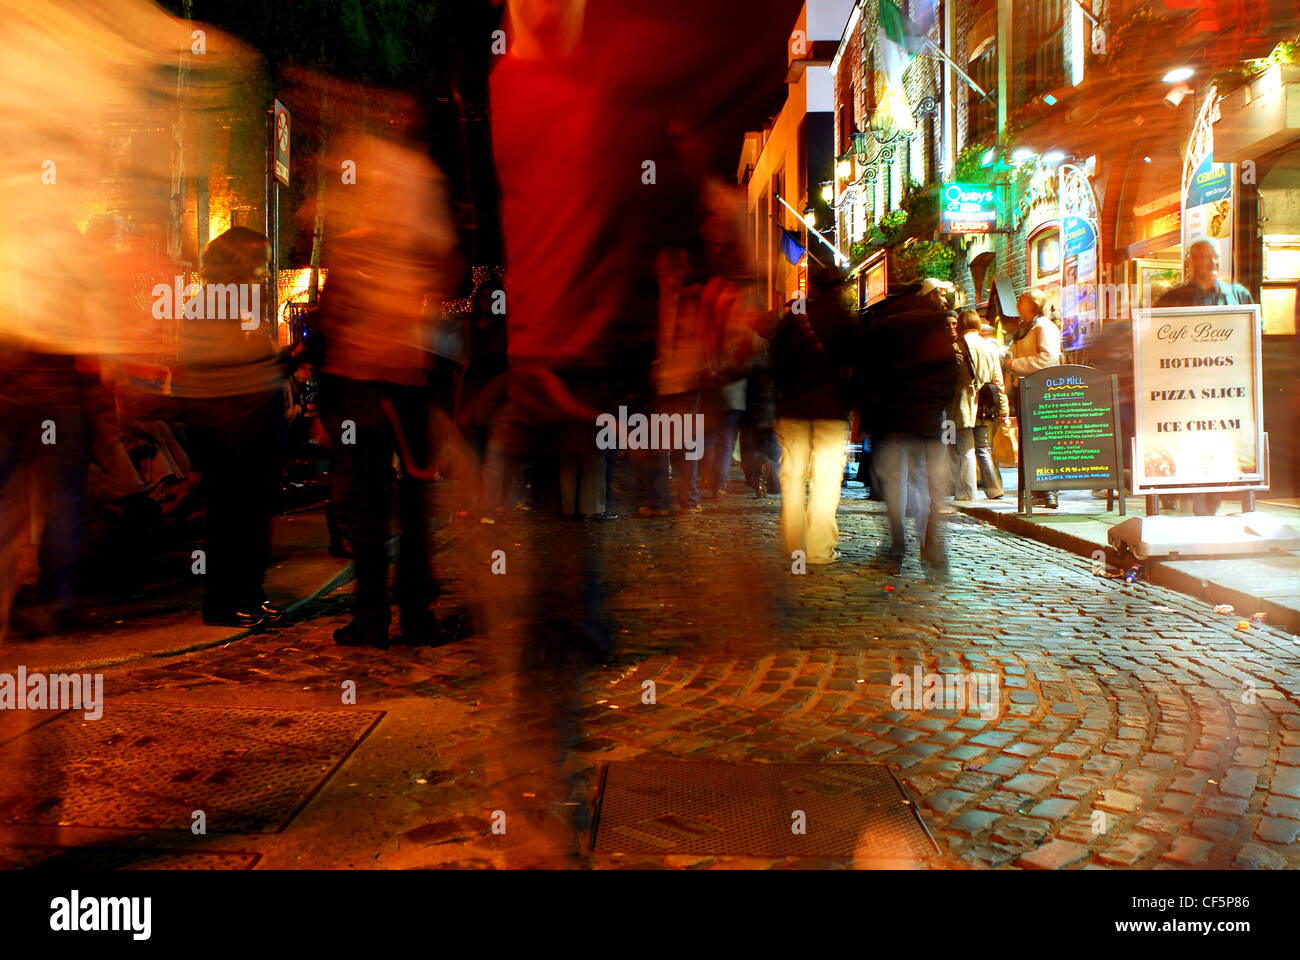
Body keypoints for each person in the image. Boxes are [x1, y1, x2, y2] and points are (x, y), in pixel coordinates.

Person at [172, 227, 286, 629]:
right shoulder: (210, 305)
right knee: (231, 516)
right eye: (261, 261)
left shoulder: (242, 303)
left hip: (251, 423)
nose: (267, 271)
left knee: (253, 514)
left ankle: (250, 591)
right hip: (229, 428)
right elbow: (220, 367)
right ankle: (223, 601)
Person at [856, 279, 963, 574]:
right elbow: (951, 368)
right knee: (928, 483)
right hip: (929, 420)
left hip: (892, 419)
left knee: (895, 483)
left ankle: (898, 543)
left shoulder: (884, 323)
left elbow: (867, 371)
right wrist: (939, 404)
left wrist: (869, 413)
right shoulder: (937, 322)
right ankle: (930, 543)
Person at [1154, 237, 1252, 516]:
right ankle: (1197, 497)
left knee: (1222, 444)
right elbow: (1156, 341)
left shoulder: (1238, 296)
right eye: (1205, 257)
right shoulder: (1173, 299)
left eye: (1216, 257)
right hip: (1188, 390)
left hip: (1226, 387)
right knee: (1192, 445)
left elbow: (1250, 337)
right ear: (1192, 261)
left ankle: (1209, 500)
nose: (1212, 262)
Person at [769, 263, 859, 564]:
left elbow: (775, 363)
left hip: (794, 408)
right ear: (840, 287)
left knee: (793, 477)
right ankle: (819, 549)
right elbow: (857, 366)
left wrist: (783, 395)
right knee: (826, 479)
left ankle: (794, 545)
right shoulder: (847, 320)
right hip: (831, 409)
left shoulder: (793, 318)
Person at [1003, 287, 1061, 508]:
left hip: (1041, 390)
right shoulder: (1025, 327)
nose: (1017, 304)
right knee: (1030, 442)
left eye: (1021, 301)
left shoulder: (1043, 327)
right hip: (1026, 390)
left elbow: (1047, 358)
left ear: (1032, 304)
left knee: (1042, 441)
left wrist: (1013, 364)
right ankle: (1035, 489)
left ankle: (1048, 491)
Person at [952, 309, 1008, 500]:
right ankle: (995, 489)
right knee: (984, 448)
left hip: (963, 405)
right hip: (985, 406)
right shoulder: (990, 346)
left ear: (960, 325)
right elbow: (998, 380)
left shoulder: (956, 346)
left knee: (965, 450)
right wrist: (1003, 407)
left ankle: (968, 493)